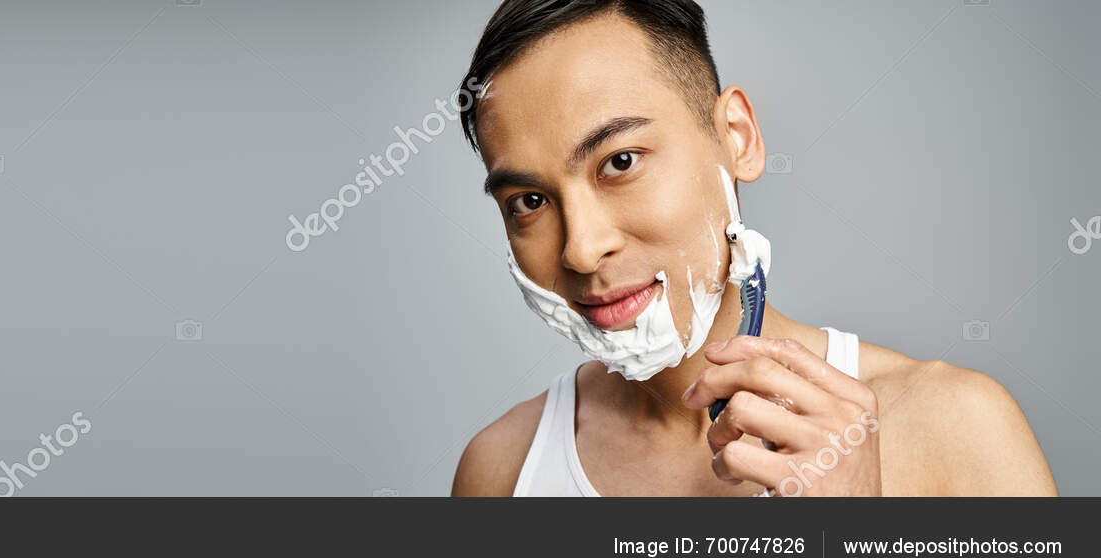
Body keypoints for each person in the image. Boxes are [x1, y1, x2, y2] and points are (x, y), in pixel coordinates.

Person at [450, 0, 1056, 497]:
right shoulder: (500, 472)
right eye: (528, 201)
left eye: (621, 161)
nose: (582, 250)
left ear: (736, 138)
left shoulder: (954, 428)